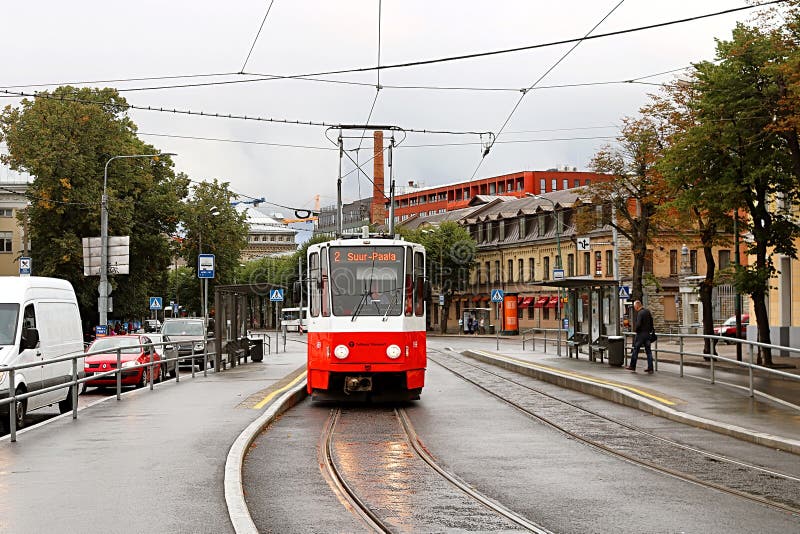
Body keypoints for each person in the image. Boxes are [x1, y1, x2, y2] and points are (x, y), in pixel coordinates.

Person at [626, 300, 654, 373]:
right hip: (647, 334)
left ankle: (632, 366)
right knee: (648, 351)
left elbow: (638, 324)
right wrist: (650, 330)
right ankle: (650, 368)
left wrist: (636, 330)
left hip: (640, 335)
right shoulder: (647, 311)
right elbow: (651, 321)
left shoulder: (640, 313)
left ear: (637, 306)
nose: (635, 308)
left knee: (635, 350)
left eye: (635, 307)